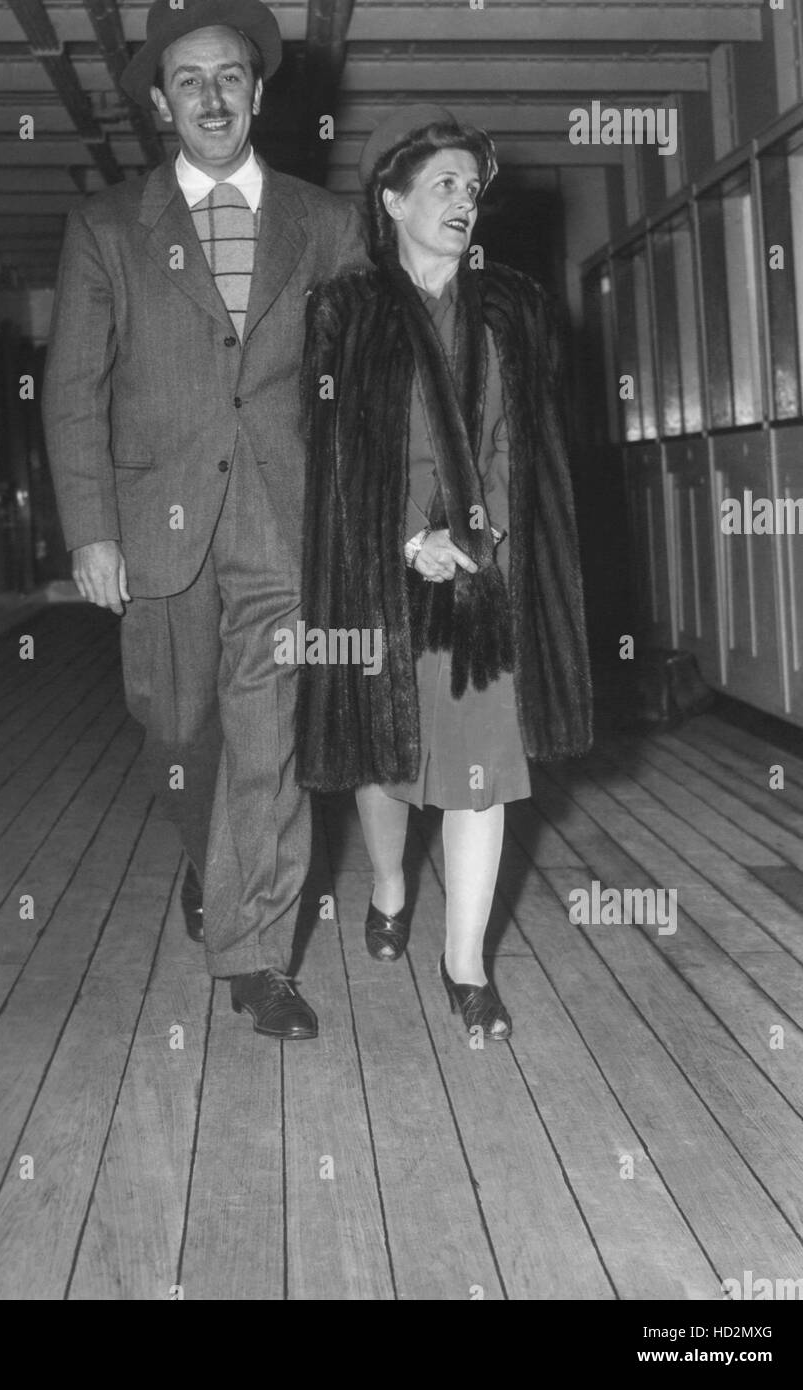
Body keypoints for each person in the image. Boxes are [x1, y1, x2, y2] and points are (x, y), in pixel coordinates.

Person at [42, 0, 367, 1041]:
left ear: (259, 93)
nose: (213, 97)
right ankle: (208, 862)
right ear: (157, 102)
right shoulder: (106, 229)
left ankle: (255, 954)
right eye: (189, 81)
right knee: (177, 733)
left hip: (284, 518)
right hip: (157, 528)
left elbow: (360, 382)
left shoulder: (326, 223)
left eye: (230, 77)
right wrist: (92, 532)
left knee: (268, 742)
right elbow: (73, 387)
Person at [296, 106, 593, 1039]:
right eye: (443, 185)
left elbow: (527, 446)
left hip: (481, 581)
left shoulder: (511, 307)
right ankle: (388, 883)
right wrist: (400, 543)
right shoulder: (344, 312)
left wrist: (491, 543)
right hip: (380, 577)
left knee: (479, 772)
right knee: (383, 761)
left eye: (472, 188)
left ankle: (463, 962)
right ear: (391, 200)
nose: (464, 202)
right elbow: (327, 454)